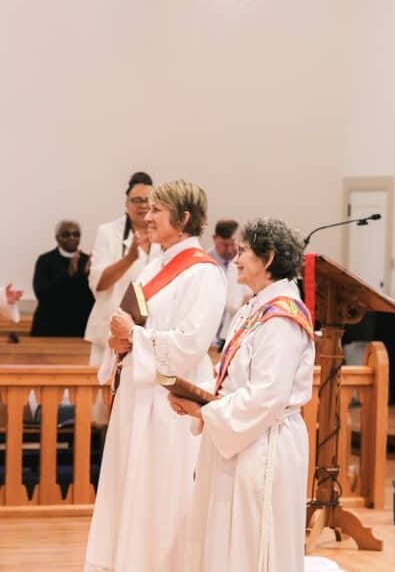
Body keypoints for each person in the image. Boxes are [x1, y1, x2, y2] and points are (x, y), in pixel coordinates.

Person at [84, 180, 225, 572]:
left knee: (162, 494)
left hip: (168, 406)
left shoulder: (205, 275)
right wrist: (121, 340)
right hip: (136, 396)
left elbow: (190, 343)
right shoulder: (153, 266)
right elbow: (136, 323)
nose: (147, 217)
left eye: (157, 210)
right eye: (147, 209)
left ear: (182, 219)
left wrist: (135, 336)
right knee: (130, 489)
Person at [170, 217, 315, 572]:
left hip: (266, 442)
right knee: (225, 538)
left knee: (253, 544)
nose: (235, 257)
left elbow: (268, 395)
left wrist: (205, 412)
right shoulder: (255, 307)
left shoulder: (281, 318)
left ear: (267, 258)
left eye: (245, 251)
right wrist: (203, 402)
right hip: (241, 437)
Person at [85, 171, 162, 383]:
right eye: (136, 200)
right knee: (100, 408)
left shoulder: (165, 235)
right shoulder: (108, 232)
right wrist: (129, 258)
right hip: (109, 336)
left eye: (148, 200)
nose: (143, 206)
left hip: (149, 336)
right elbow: (99, 284)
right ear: (126, 204)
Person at [30, 220, 95, 336]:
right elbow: (41, 293)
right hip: (49, 326)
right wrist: (67, 275)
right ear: (57, 238)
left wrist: (88, 276)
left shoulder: (87, 261)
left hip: (80, 327)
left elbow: (92, 298)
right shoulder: (45, 260)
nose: (72, 238)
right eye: (66, 234)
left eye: (76, 234)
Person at [208, 218, 250, 348]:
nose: (230, 250)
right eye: (225, 245)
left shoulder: (241, 261)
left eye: (234, 245)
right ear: (215, 239)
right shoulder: (205, 263)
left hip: (233, 329)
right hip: (211, 329)